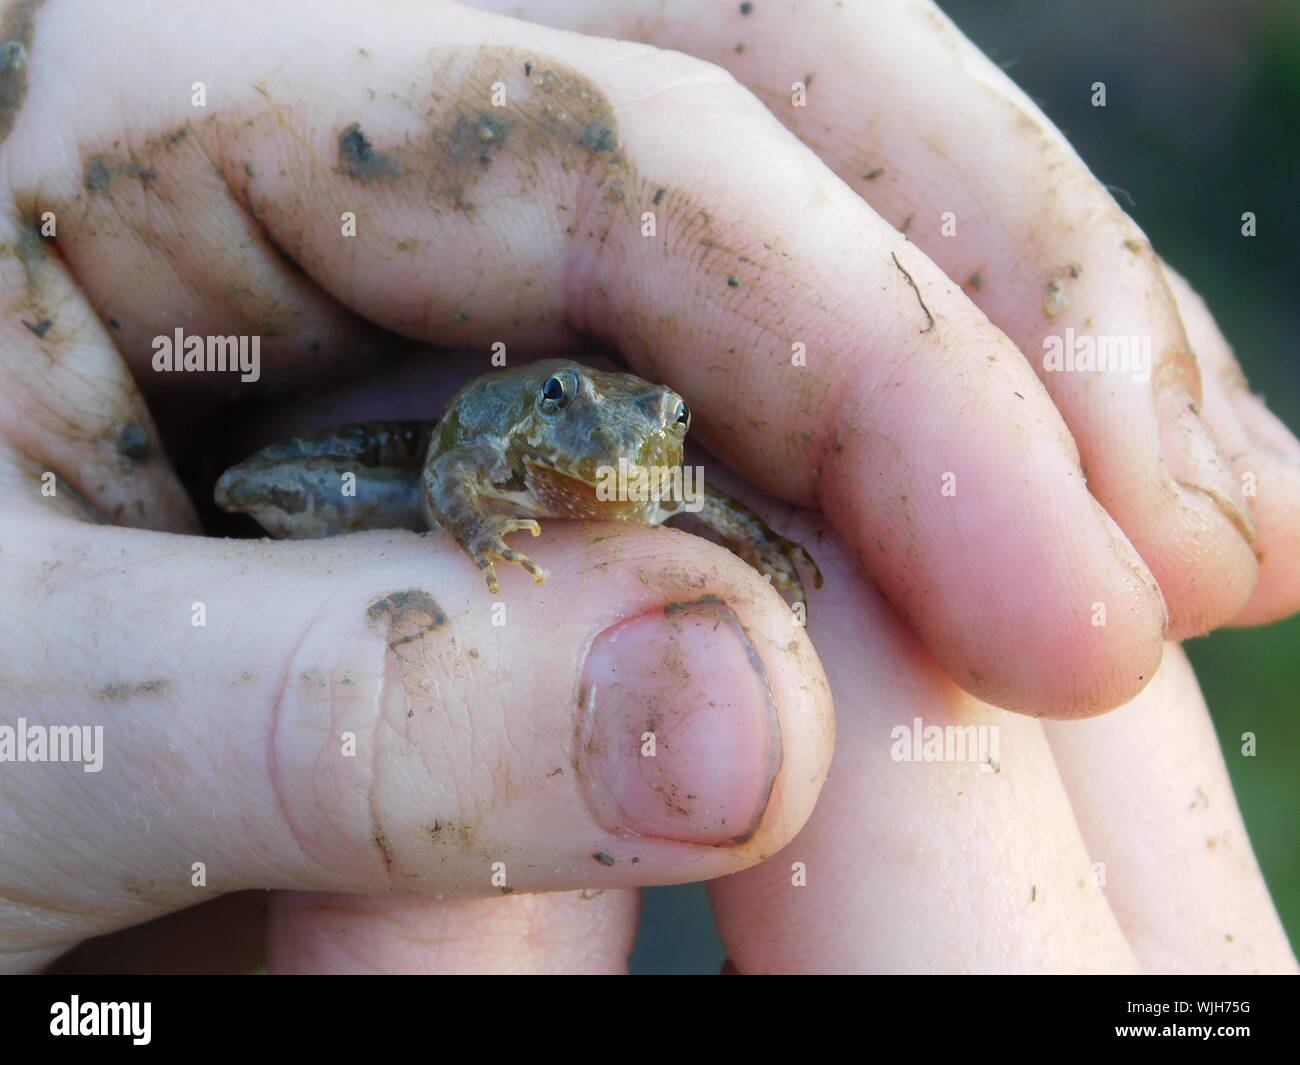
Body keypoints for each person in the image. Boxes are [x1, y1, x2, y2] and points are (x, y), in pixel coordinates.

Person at [1, 0, 1295, 973]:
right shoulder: (515, 436)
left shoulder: (638, 460)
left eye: (651, 428)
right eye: (576, 406)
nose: (620, 446)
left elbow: (693, 504)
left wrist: (762, 549)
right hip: (403, 454)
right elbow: (456, 466)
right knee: (280, 491)